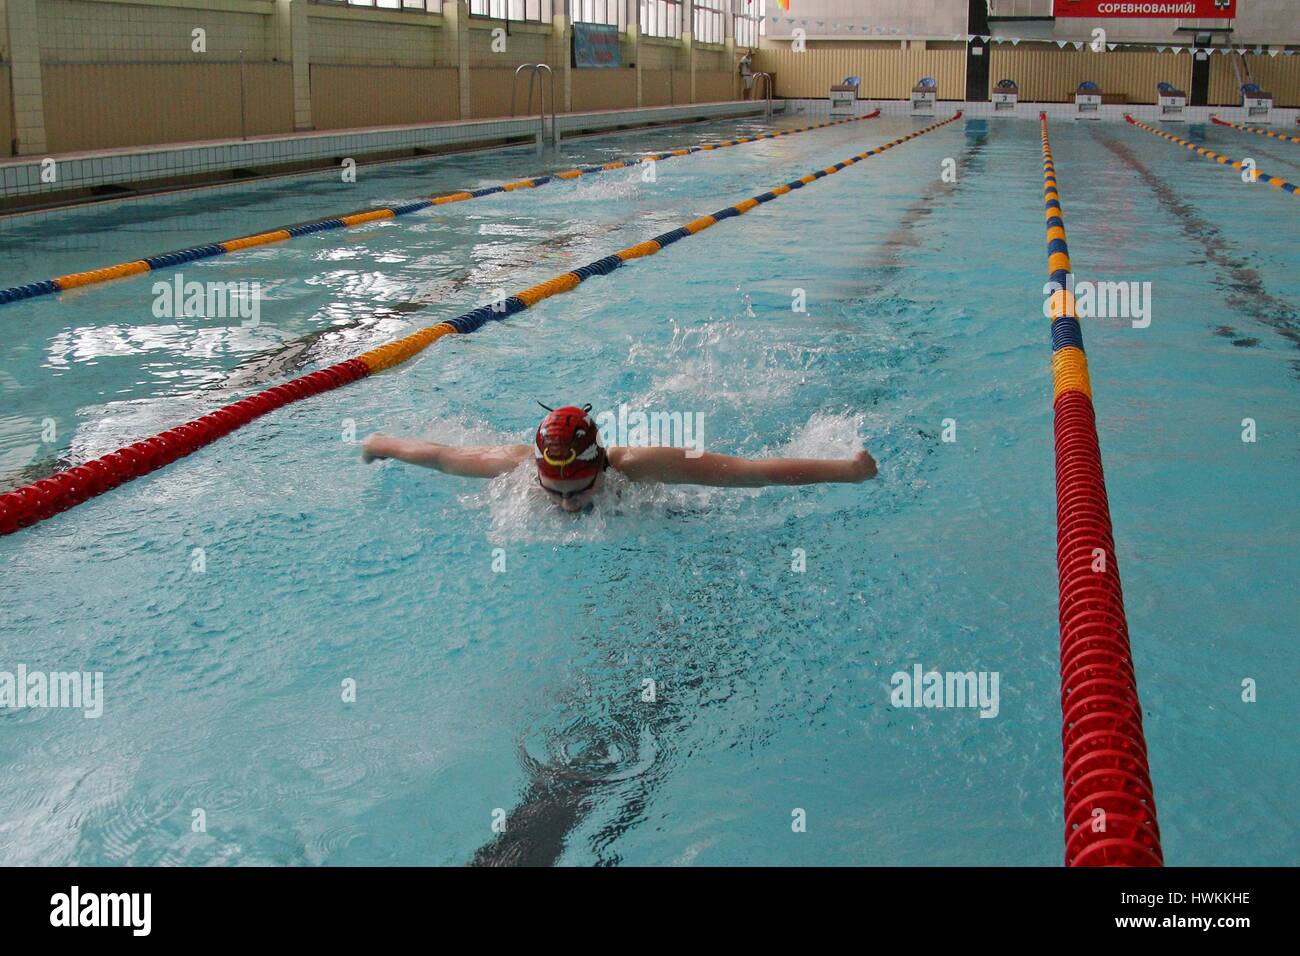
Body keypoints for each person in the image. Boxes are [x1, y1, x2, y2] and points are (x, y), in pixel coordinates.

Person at [361, 404, 877, 513]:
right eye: (555, 493)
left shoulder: (641, 465)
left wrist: (847, 471)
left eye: (579, 493)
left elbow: (751, 473)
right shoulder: (518, 464)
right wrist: (379, 444)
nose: (566, 507)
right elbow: (442, 457)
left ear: (601, 468)